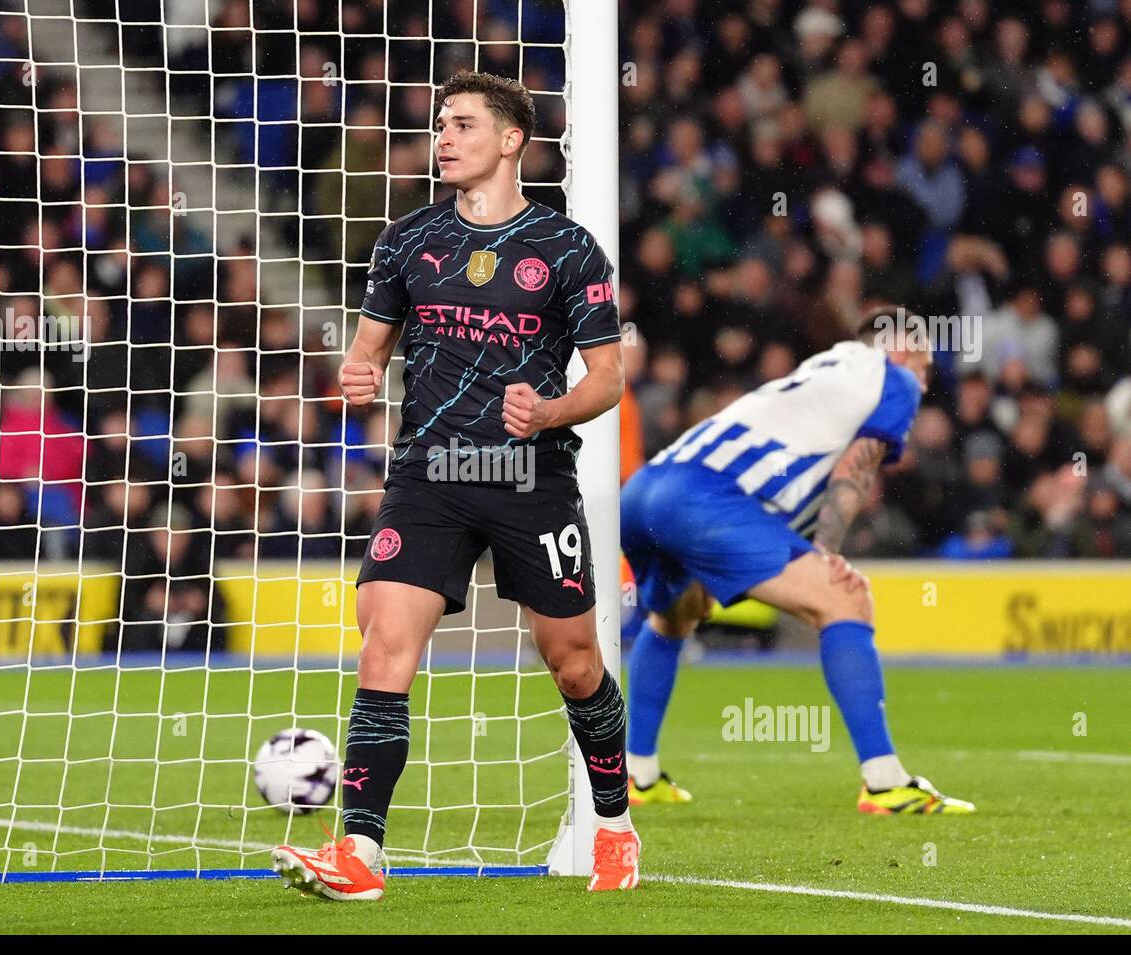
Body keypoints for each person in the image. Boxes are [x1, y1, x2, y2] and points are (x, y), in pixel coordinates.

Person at [273, 71, 637, 899]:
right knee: (385, 643)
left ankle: (614, 824)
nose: (442, 137)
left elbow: (609, 378)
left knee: (574, 662)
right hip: (428, 475)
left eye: (462, 124)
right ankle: (361, 852)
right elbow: (366, 354)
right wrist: (358, 376)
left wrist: (548, 410)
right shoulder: (406, 241)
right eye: (439, 124)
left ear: (511, 140)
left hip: (529, 476)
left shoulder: (568, 248)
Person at [621, 307, 976, 815]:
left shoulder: (824, 369)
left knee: (674, 616)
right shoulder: (892, 379)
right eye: (923, 364)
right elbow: (855, 471)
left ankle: (638, 773)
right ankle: (885, 783)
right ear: (901, 348)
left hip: (647, 489)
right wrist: (825, 555)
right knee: (847, 599)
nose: (923, 381)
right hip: (703, 499)